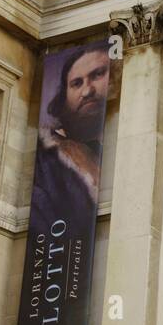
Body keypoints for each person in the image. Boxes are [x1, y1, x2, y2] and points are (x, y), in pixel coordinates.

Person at [29, 44, 111, 234]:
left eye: (98, 74)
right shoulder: (48, 158)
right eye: (76, 83)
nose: (87, 91)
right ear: (63, 98)